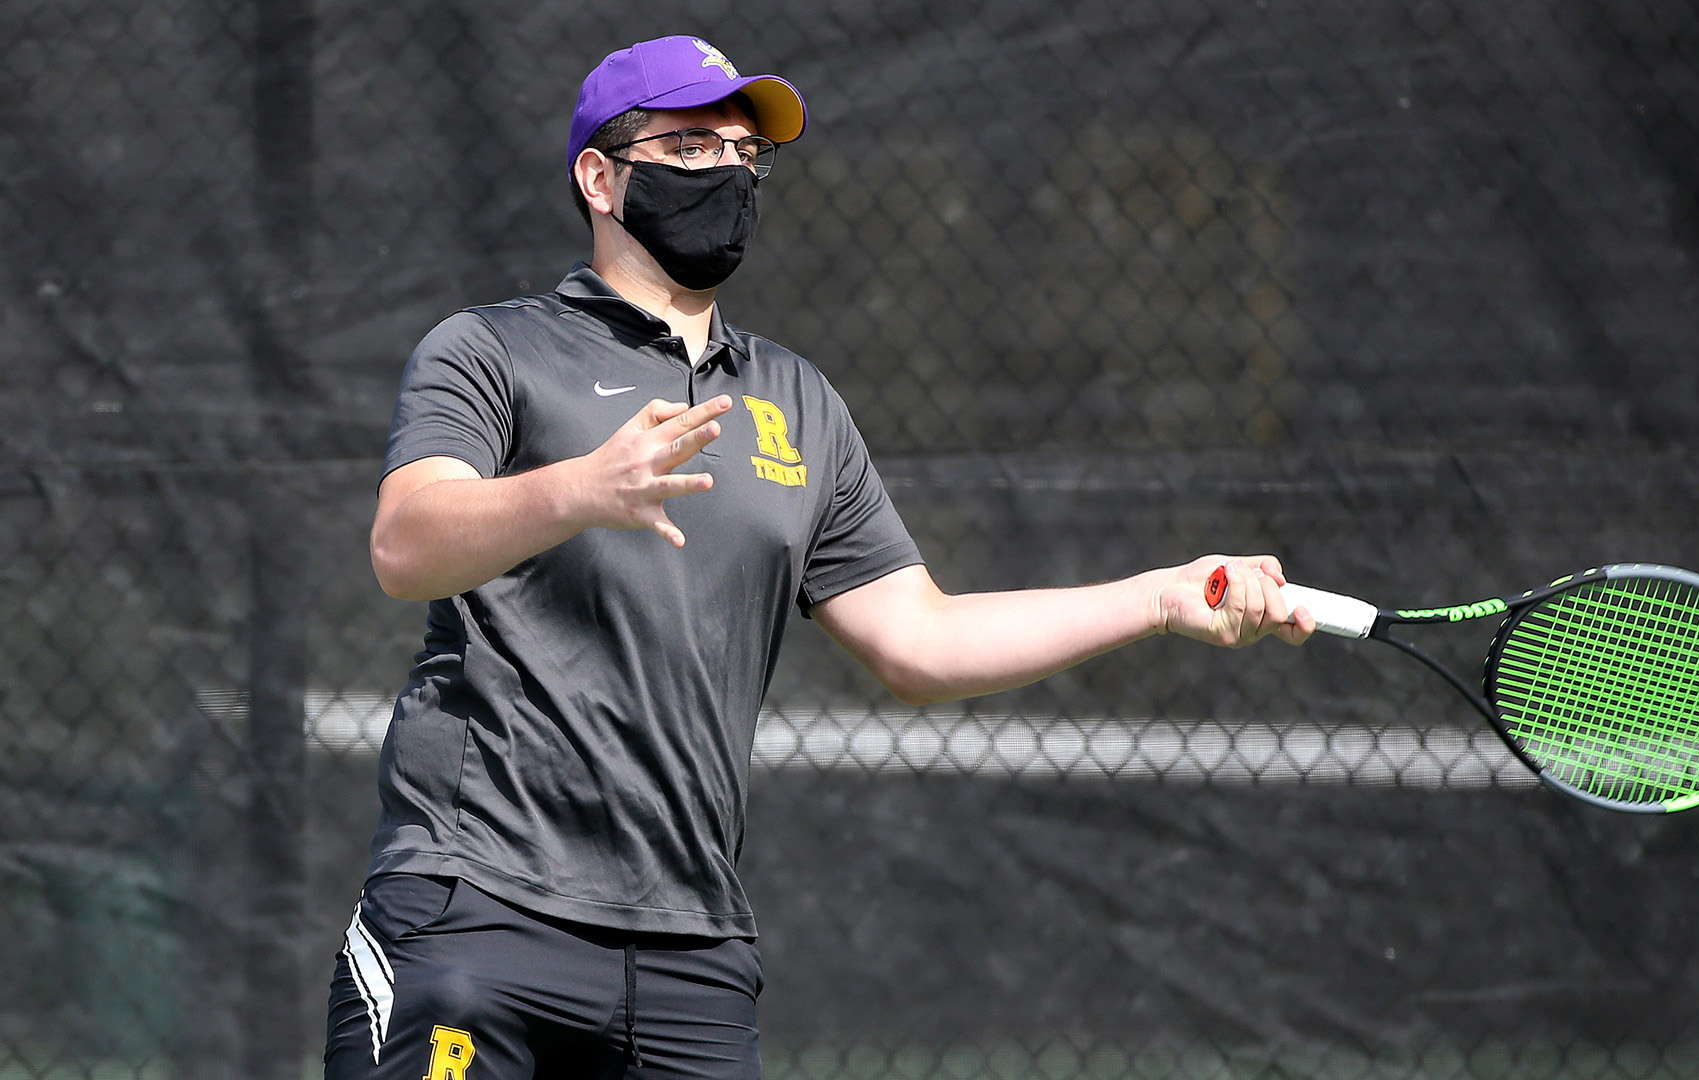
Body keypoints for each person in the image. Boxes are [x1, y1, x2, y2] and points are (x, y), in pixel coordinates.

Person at [324, 34, 1315, 1080]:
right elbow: (405, 544)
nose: (729, 173)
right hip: (477, 914)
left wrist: (1159, 595)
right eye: (694, 146)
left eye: (747, 155)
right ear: (600, 177)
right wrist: (583, 488)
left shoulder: (798, 404)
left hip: (690, 958)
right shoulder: (491, 351)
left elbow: (918, 639)